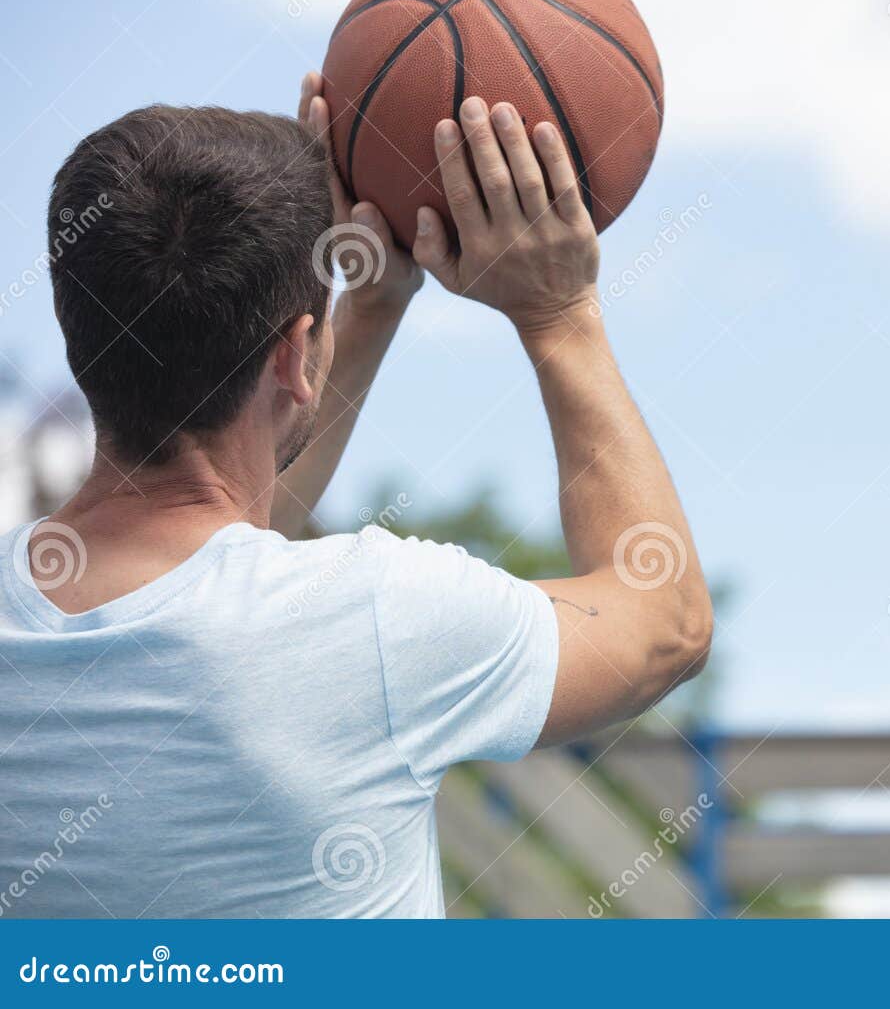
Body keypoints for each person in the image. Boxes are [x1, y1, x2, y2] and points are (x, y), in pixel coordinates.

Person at [0, 76, 712, 917]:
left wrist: (369, 304)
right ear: (297, 356)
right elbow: (663, 620)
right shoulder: (376, 619)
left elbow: (218, 558)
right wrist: (560, 315)